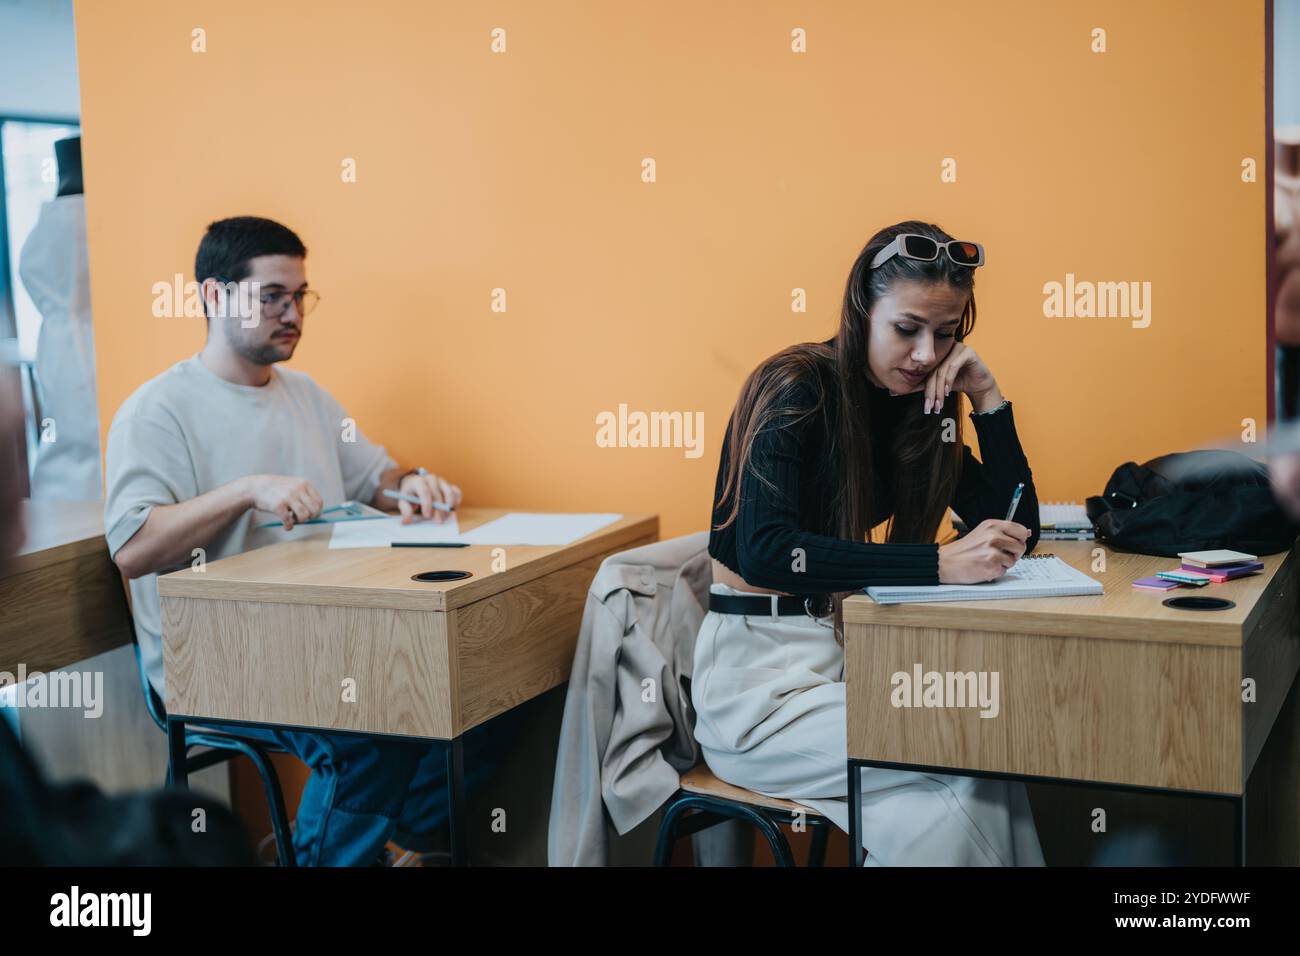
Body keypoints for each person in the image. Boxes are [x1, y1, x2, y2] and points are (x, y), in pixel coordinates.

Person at [104, 216, 511, 866]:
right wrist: (245, 490)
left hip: (327, 640)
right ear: (213, 296)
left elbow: (375, 477)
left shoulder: (308, 397)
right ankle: (333, 854)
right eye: (272, 296)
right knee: (371, 738)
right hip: (216, 660)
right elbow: (133, 550)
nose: (292, 313)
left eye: (300, 297)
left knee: (490, 690)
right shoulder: (157, 411)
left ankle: (380, 845)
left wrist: (415, 484)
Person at [693, 220, 1045, 865]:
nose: (924, 353)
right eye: (907, 328)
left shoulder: (921, 410)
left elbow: (1016, 527)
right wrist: (936, 563)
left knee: (982, 776)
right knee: (969, 760)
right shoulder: (795, 386)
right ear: (863, 309)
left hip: (849, 670)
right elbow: (767, 550)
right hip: (761, 690)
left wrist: (989, 401)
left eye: (946, 333)